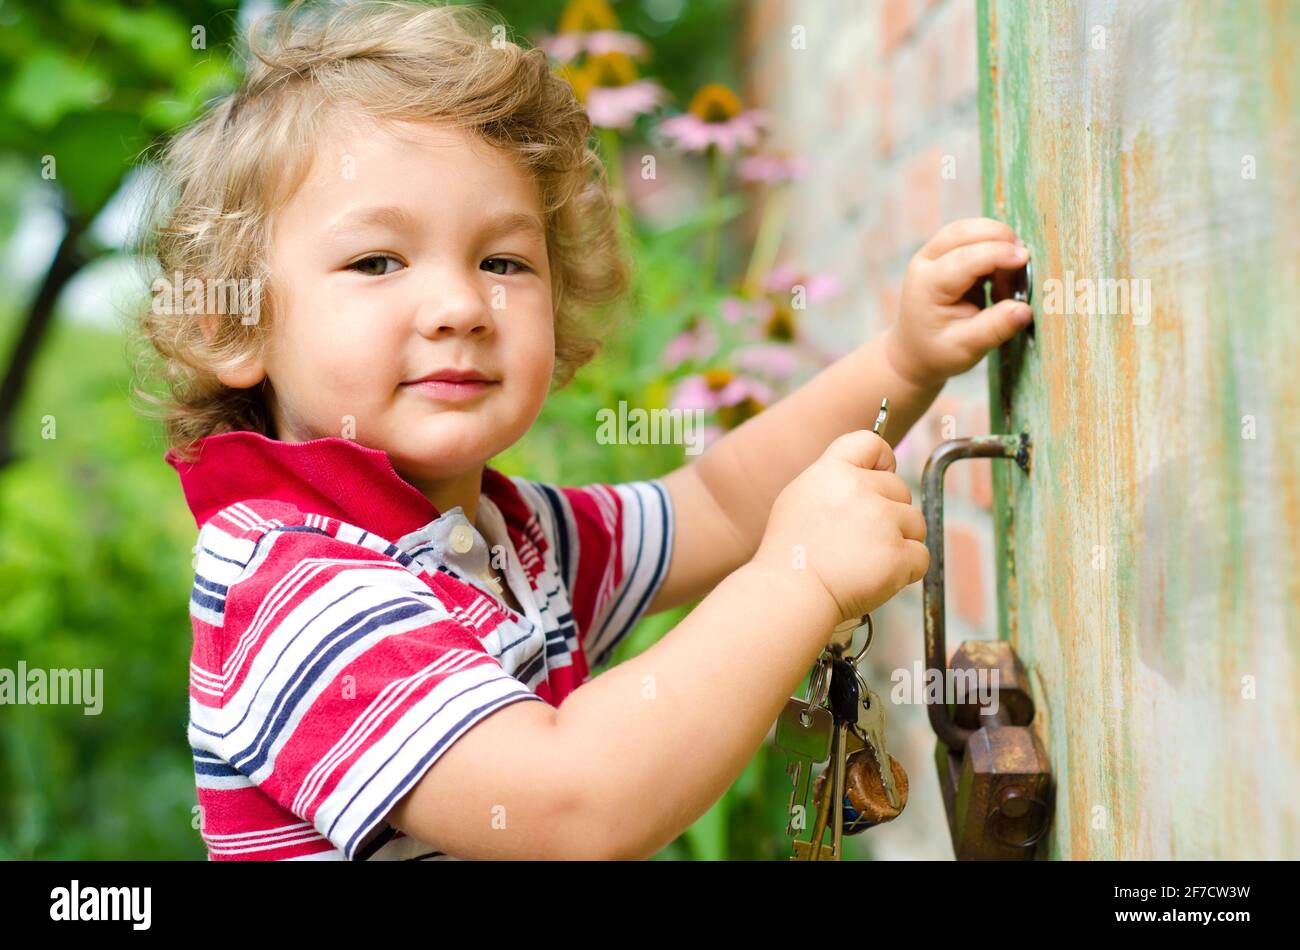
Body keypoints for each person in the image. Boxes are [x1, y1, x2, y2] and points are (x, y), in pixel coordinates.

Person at [135, 0, 1032, 860]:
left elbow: (719, 501)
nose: (459, 305)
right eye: (377, 260)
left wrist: (906, 361)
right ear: (235, 321)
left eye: (503, 261)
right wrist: (800, 579)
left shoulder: (511, 536)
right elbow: (574, 803)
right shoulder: (292, 589)